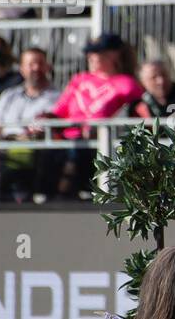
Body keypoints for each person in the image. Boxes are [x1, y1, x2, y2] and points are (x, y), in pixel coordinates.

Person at [40, 33, 141, 198]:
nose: (91, 57)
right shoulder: (79, 79)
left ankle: (66, 197)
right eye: (90, 52)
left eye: (97, 52)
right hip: (69, 139)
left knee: (76, 153)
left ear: (114, 54)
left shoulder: (127, 84)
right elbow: (60, 111)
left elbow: (134, 117)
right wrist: (46, 118)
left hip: (100, 143)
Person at [0, 48, 62, 202]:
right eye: (31, 64)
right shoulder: (9, 96)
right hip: (6, 148)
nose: (36, 68)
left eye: (40, 63)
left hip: (38, 149)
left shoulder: (58, 97)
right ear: (22, 69)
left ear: (47, 67)